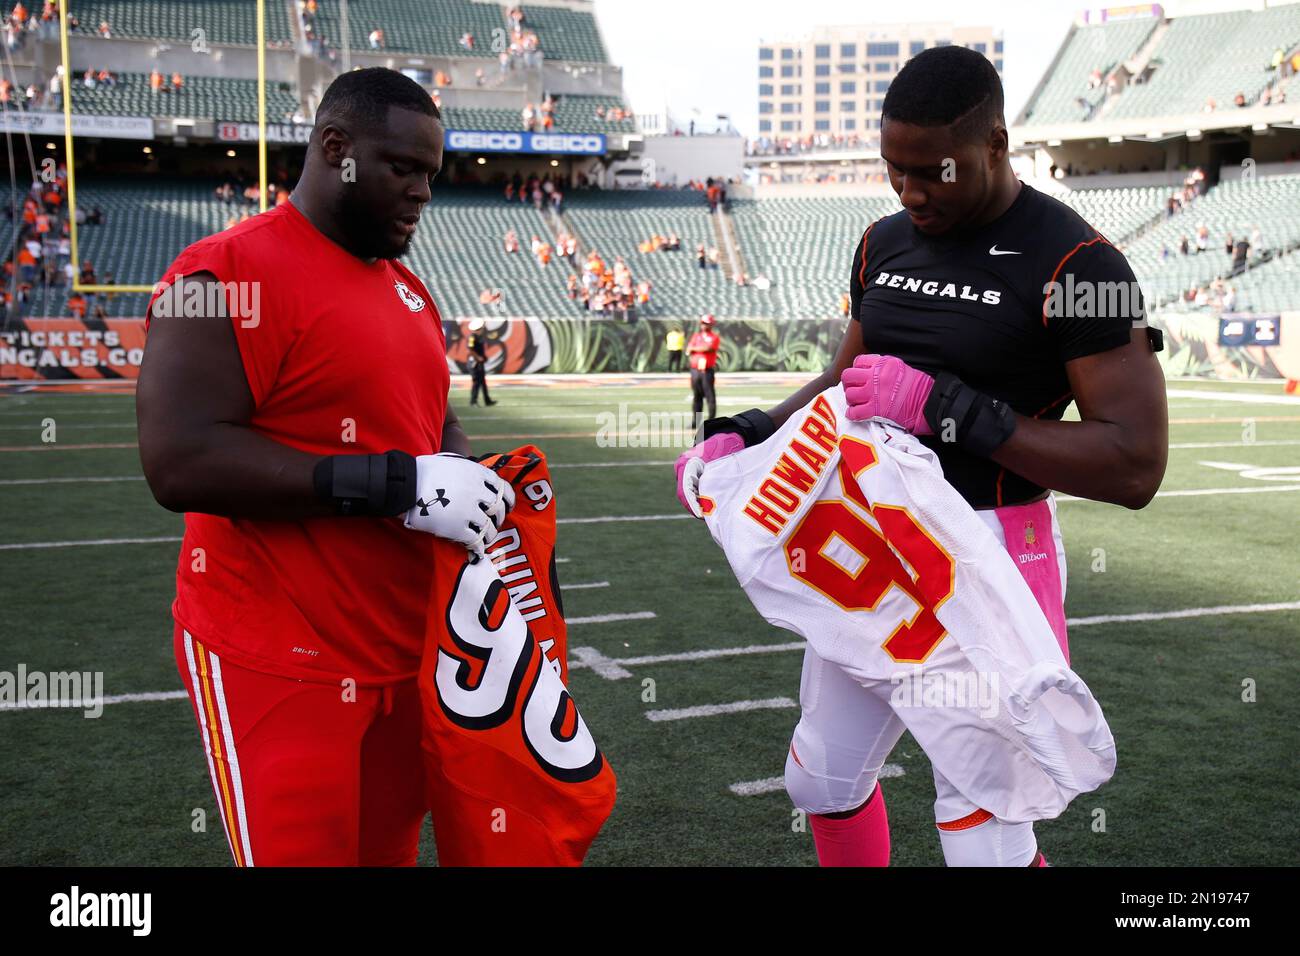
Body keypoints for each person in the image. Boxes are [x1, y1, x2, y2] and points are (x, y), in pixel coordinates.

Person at [674, 45, 1167, 868]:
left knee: (983, 823)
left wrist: (954, 413)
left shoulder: (1084, 265)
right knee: (821, 781)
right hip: (869, 538)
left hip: (989, 555)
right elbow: (846, 380)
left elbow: (1135, 464)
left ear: (996, 145)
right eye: (893, 170)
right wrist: (756, 430)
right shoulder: (882, 242)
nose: (911, 192)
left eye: (933, 172)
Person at [135, 68, 515, 867]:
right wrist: (395, 485)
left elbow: (429, 422)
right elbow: (181, 460)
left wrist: (467, 481)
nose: (421, 193)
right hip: (277, 654)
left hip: (405, 651)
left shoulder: (407, 287)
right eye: (401, 168)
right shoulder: (220, 274)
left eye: (431, 176)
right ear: (335, 149)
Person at [686, 314, 720, 427]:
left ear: (711, 325)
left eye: (707, 323)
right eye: (703, 323)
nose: (704, 325)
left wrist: (695, 349)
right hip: (695, 370)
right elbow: (688, 349)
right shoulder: (696, 336)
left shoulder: (714, 337)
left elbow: (708, 348)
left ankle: (711, 422)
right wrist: (696, 349)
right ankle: (696, 421)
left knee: (710, 396)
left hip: (707, 371)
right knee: (697, 396)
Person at [466, 317, 496, 406]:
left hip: (479, 363)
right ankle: (473, 401)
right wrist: (478, 358)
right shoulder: (472, 337)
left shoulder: (478, 337)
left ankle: (487, 400)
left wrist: (483, 357)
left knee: (483, 382)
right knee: (476, 382)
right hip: (474, 363)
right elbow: (470, 349)